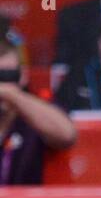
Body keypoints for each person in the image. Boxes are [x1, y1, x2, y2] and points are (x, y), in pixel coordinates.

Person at [0, 25, 77, 184]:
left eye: (7, 76)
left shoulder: (36, 114)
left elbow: (67, 135)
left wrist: (11, 94)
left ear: (23, 77)